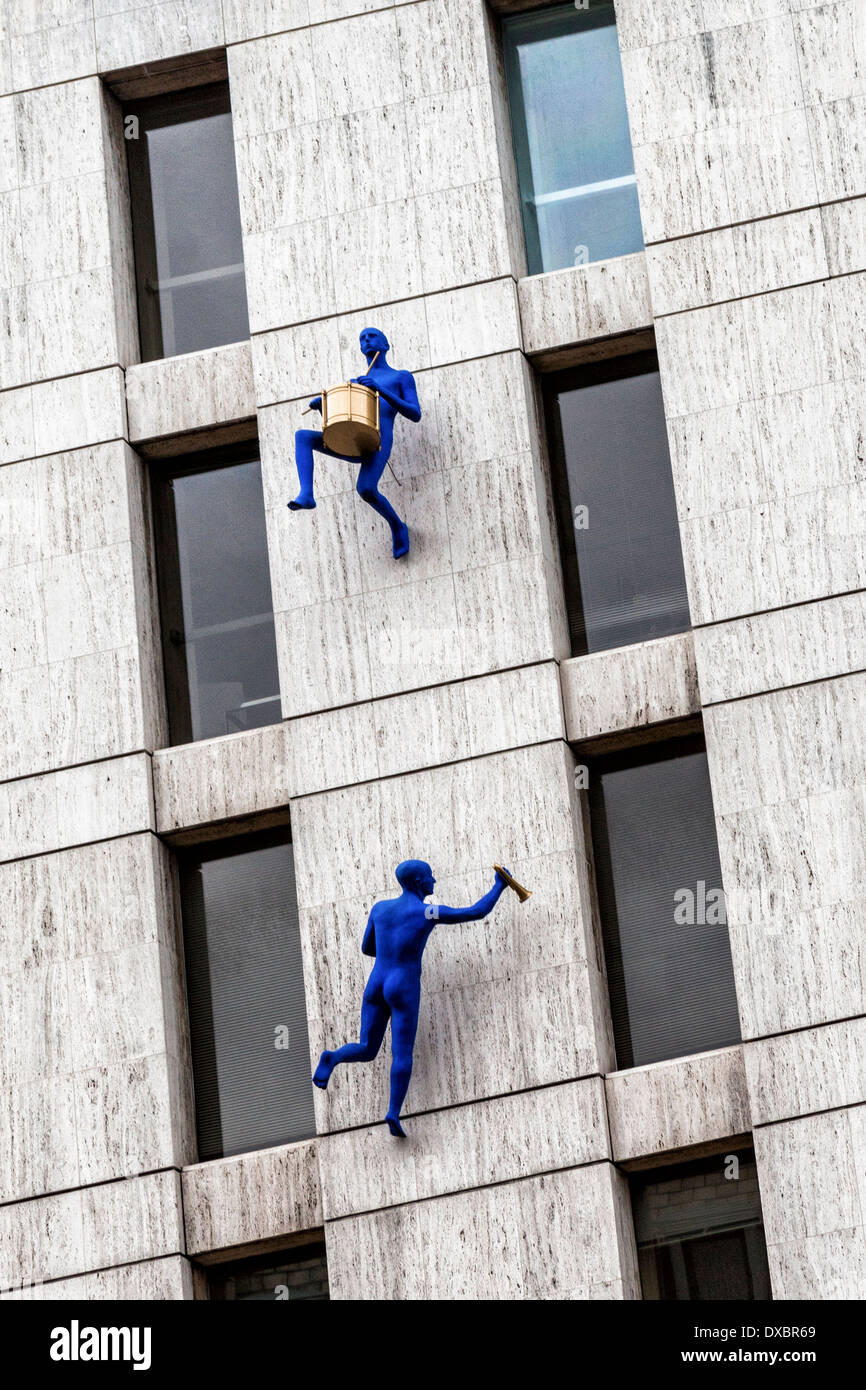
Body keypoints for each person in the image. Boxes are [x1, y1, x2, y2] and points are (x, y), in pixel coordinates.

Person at [313, 860, 511, 1136]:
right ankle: (393, 1112)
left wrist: (390, 952)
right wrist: (499, 886)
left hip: (376, 981)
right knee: (401, 1054)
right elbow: (475, 912)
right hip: (402, 984)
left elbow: (367, 947)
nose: (434, 881)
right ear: (419, 882)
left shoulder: (380, 909)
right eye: (431, 876)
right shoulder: (426, 912)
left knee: (368, 1047)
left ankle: (333, 1057)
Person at [288, 326, 420, 558]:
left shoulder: (400, 376)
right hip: (355, 437)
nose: (367, 340)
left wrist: (381, 390)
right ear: (360, 347)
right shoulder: (355, 382)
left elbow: (415, 413)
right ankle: (306, 493)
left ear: (385, 345)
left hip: (378, 440)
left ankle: (397, 526)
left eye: (372, 336)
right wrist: (323, 408)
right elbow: (343, 422)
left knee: (366, 489)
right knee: (303, 436)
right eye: (363, 338)